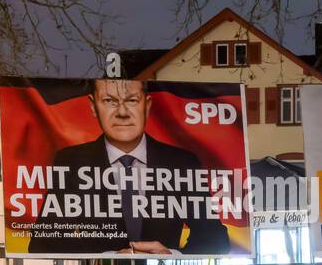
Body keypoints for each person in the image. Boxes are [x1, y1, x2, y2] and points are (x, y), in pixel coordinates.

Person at [32, 78, 229, 255]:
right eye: (110, 101)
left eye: (132, 100)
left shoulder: (183, 163)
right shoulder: (71, 161)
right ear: (93, 106)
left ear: (147, 105)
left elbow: (216, 240)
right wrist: (108, 258)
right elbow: (43, 243)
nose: (123, 112)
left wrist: (171, 256)